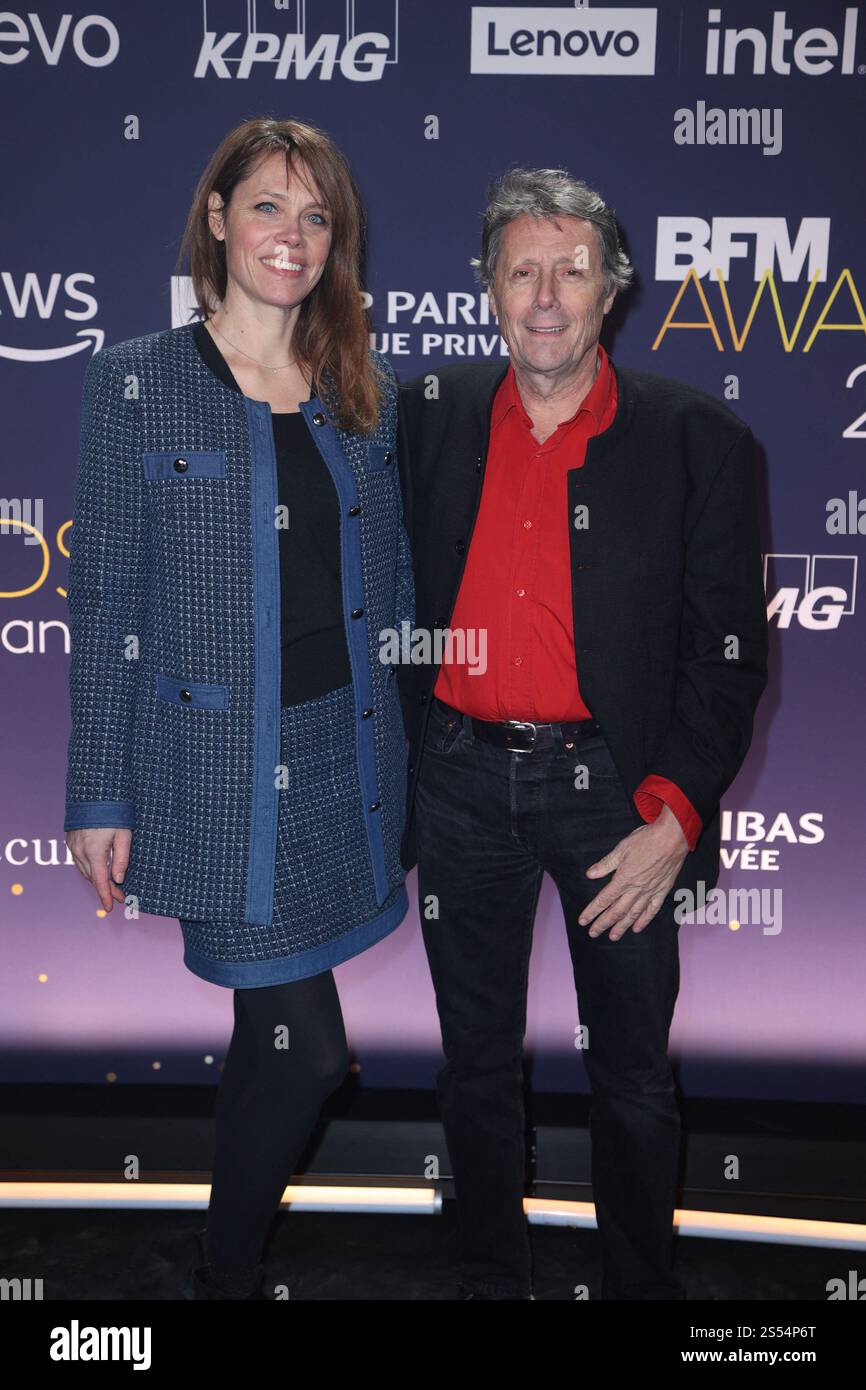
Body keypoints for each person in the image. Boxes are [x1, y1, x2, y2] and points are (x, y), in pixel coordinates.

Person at [396, 167, 769, 1300]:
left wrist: (672, 812)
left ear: (611, 290)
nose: (545, 297)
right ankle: (486, 1279)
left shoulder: (698, 440)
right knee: (472, 1065)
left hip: (618, 796)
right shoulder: (427, 415)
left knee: (631, 1076)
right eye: (521, 271)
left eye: (570, 270)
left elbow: (727, 655)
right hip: (458, 783)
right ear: (488, 291)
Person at [63, 117, 413, 1299]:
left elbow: (394, 582)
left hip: (344, 762)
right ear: (216, 218)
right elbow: (106, 591)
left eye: (316, 217)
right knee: (307, 1048)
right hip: (221, 774)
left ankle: (227, 1249)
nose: (293, 236)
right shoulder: (135, 380)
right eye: (267, 206)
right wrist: (98, 789)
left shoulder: (358, 384)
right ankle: (224, 1269)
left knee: (269, 1045)